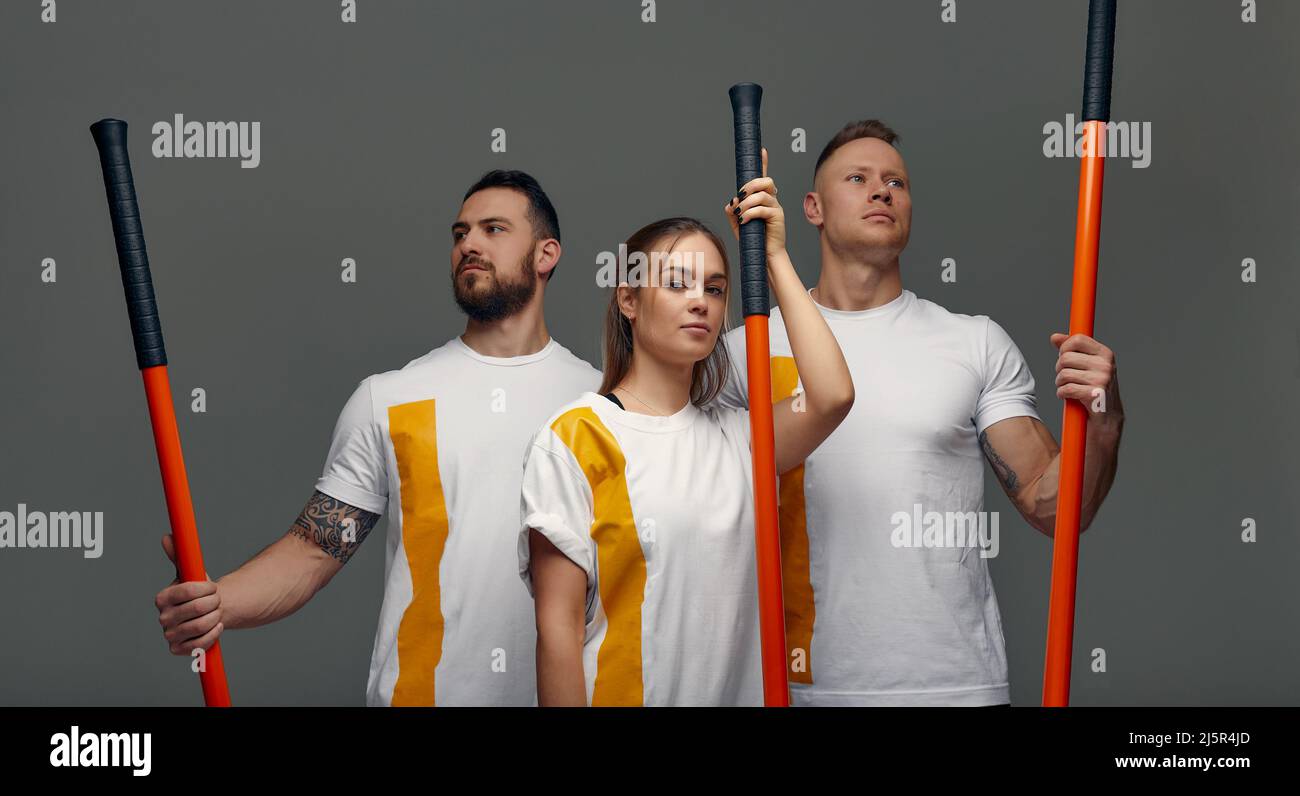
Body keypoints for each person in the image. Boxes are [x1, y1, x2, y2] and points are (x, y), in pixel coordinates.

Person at [712, 120, 1126, 706]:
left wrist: (1105, 423)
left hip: (955, 688)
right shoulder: (746, 353)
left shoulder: (973, 343)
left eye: (896, 182)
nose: (882, 191)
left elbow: (1053, 510)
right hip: (799, 691)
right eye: (858, 178)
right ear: (812, 207)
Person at [154, 170, 602, 705]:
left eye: (494, 229)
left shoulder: (601, 403)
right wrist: (218, 601)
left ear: (546, 253)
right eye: (460, 234)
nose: (470, 245)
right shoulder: (389, 399)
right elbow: (313, 551)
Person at [518, 150, 854, 705]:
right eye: (677, 283)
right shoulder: (575, 437)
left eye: (716, 289)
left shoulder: (743, 439)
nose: (700, 301)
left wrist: (772, 256)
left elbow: (834, 395)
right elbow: (556, 633)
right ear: (629, 297)